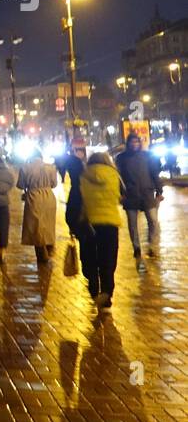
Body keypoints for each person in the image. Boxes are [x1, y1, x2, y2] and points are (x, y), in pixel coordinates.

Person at [78, 151, 123, 311]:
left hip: (89, 223)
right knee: (108, 258)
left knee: (90, 257)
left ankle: (93, 287)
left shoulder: (83, 176)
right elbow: (122, 195)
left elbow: (77, 199)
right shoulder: (114, 175)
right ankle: (107, 292)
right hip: (110, 222)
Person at [115, 132, 161, 265]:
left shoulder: (147, 156)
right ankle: (136, 247)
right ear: (128, 143)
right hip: (130, 195)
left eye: (136, 142)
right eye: (132, 142)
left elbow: (154, 172)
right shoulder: (122, 158)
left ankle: (151, 245)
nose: (134, 144)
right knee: (132, 225)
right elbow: (118, 177)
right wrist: (121, 192)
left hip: (147, 194)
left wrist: (159, 190)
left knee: (153, 221)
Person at [17, 149, 58, 265]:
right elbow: (54, 184)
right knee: (48, 224)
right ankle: (49, 247)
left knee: (35, 227)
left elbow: (20, 185)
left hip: (33, 198)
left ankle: (42, 254)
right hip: (49, 197)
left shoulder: (26, 168)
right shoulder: (50, 167)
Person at [55, 137, 88, 238]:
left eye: (81, 150)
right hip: (79, 191)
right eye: (77, 150)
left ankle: (77, 230)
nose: (79, 152)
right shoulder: (74, 161)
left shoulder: (77, 161)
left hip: (83, 192)